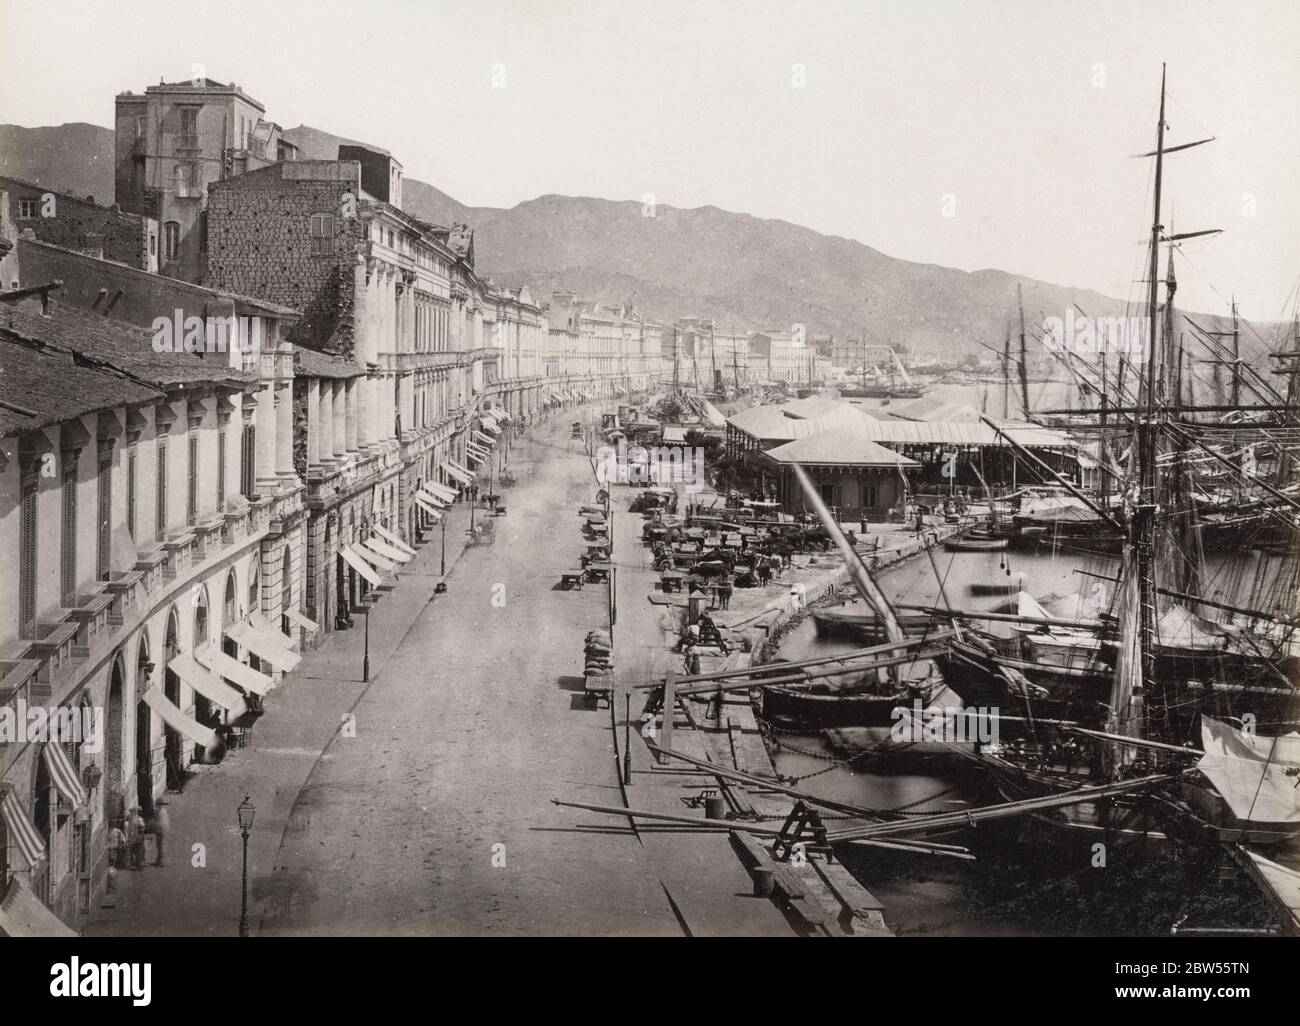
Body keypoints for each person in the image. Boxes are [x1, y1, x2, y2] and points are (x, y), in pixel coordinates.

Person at [151, 800, 170, 868]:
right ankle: (159, 861)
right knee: (160, 846)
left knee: (160, 846)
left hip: (160, 830)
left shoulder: (160, 812)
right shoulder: (163, 811)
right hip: (161, 830)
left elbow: (157, 821)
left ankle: (160, 862)